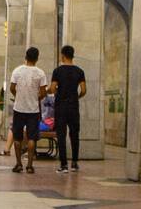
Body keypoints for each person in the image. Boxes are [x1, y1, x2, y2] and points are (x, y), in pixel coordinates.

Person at [9, 47, 47, 174]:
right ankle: (30, 166)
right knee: (31, 138)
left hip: (18, 108)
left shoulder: (17, 71)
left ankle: (18, 164)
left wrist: (18, 96)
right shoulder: (40, 73)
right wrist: (35, 99)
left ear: (26, 57)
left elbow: (12, 88)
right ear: (37, 58)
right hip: (33, 110)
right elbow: (43, 93)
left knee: (17, 137)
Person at [50, 44, 86, 173]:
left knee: (61, 134)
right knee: (74, 134)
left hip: (61, 106)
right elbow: (83, 90)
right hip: (73, 106)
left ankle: (64, 165)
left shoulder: (58, 71)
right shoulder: (79, 71)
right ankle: (75, 163)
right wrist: (76, 97)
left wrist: (59, 92)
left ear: (63, 56)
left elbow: (53, 88)